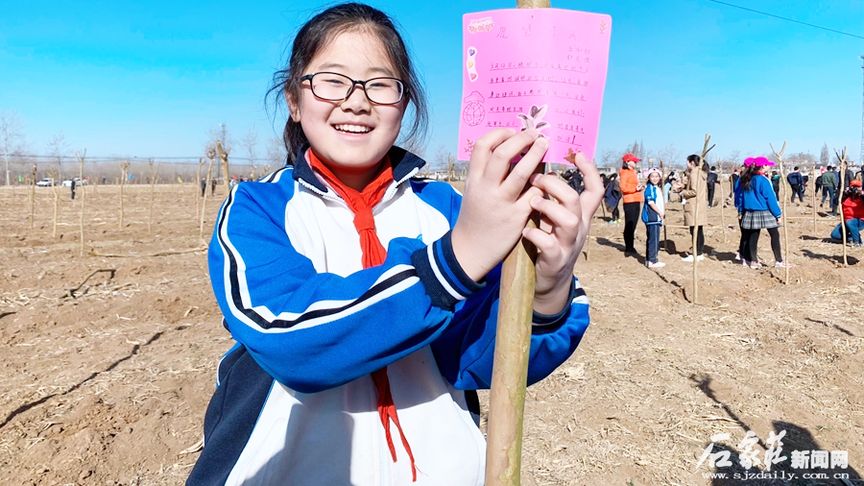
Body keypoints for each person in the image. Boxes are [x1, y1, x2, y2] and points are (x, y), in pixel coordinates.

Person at [187, 4, 599, 485]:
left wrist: (547, 291)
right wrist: (453, 261)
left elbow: (473, 359)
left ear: (404, 104)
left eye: (381, 84)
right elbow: (287, 339)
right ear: (294, 100)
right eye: (331, 80)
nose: (357, 102)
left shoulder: (448, 208)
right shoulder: (256, 209)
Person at [736, 156, 787, 269]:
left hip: (750, 212)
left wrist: (740, 210)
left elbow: (741, 198)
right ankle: (778, 261)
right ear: (763, 166)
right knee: (774, 235)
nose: (769, 167)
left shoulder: (746, 178)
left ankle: (753, 261)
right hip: (765, 211)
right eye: (767, 165)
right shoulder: (763, 180)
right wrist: (778, 214)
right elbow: (770, 198)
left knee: (753, 236)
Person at [677, 154, 708, 261]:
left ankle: (697, 253)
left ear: (692, 163)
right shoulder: (701, 173)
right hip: (699, 204)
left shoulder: (695, 173)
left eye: (687, 162)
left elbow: (694, 191)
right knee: (698, 230)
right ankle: (699, 252)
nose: (686, 164)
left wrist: (683, 192)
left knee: (695, 230)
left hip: (694, 205)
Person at [619, 152, 643, 256]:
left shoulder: (633, 172)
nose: (636, 163)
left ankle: (630, 246)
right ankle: (629, 247)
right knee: (630, 224)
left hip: (636, 199)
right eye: (634, 161)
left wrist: (639, 188)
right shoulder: (625, 172)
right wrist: (635, 189)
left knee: (633, 224)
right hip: (629, 201)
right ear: (627, 162)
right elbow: (623, 188)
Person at [641, 167, 665, 268]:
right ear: (649, 177)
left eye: (657, 176)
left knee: (653, 238)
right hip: (652, 217)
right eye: (652, 176)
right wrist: (659, 212)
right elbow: (651, 202)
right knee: (653, 240)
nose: (655, 178)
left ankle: (649, 259)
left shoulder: (657, 188)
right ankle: (652, 260)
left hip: (657, 217)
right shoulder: (649, 188)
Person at [830, 180, 864, 245]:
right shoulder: (846, 196)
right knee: (834, 235)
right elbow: (836, 202)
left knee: (850, 222)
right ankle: (851, 237)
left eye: (857, 187)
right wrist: (843, 193)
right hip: (846, 221)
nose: (855, 189)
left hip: (860, 220)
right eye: (853, 187)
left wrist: (861, 194)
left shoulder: (861, 197)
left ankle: (857, 241)